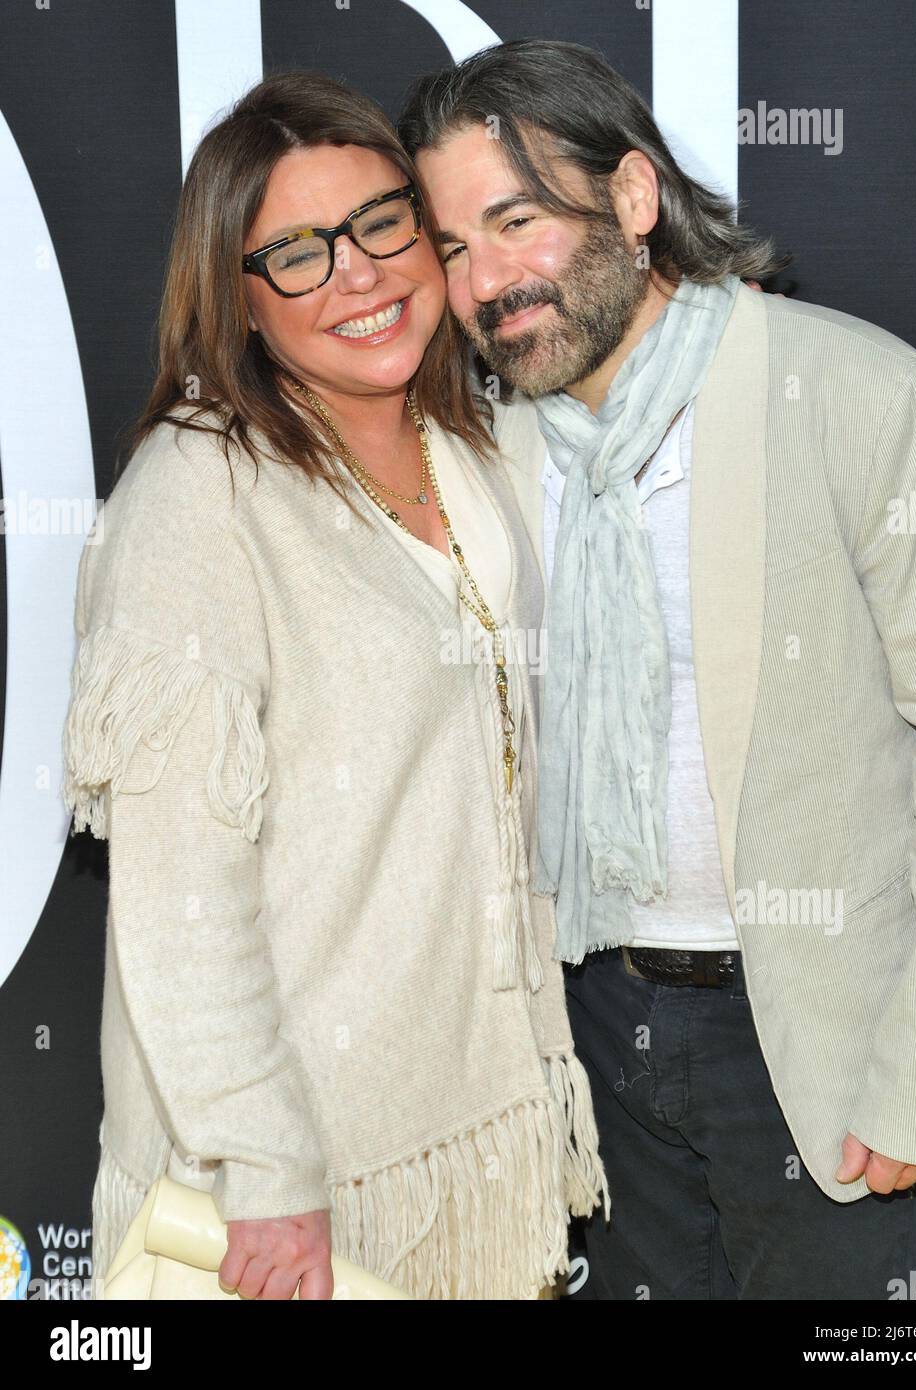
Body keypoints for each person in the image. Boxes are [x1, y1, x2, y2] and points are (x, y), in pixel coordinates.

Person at [398, 38, 916, 1299]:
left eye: (515, 220)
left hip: (810, 1048)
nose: (486, 283)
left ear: (628, 198)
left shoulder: (856, 396)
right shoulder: (484, 455)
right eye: (453, 248)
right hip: (588, 1038)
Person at [61, 68, 608, 1303]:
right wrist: (265, 1167)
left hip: (470, 1127)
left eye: (378, 223)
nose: (356, 274)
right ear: (239, 302)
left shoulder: (475, 449)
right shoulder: (199, 496)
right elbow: (176, 890)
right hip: (292, 1177)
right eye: (297, 254)